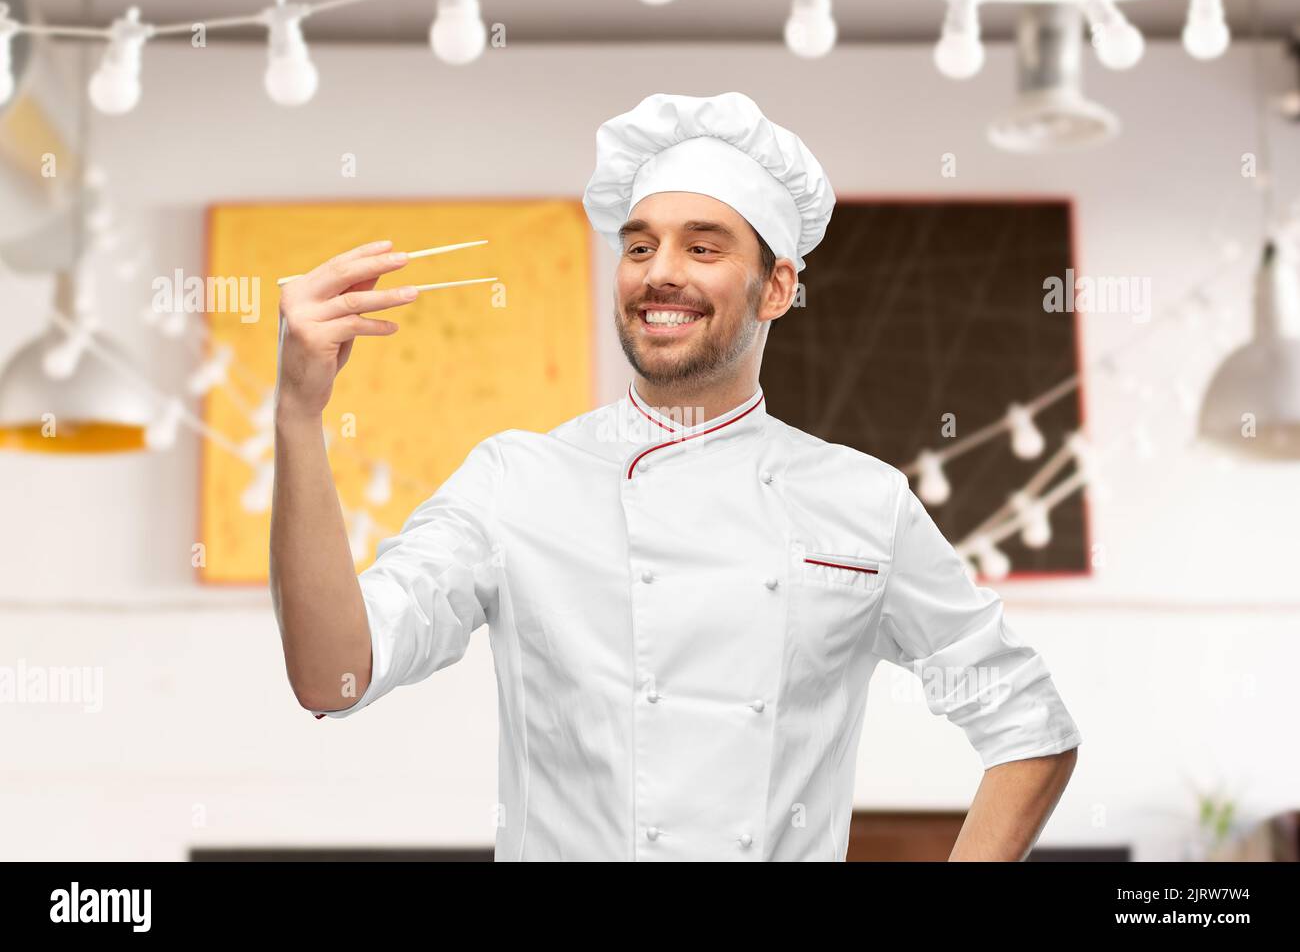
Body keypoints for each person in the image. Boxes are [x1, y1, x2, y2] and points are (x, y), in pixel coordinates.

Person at [270, 91, 1081, 862]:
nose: (661, 272)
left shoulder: (862, 501)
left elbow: (1031, 726)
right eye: (639, 245)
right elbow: (333, 676)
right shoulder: (516, 481)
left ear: (777, 287)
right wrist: (299, 419)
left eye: (703, 246)